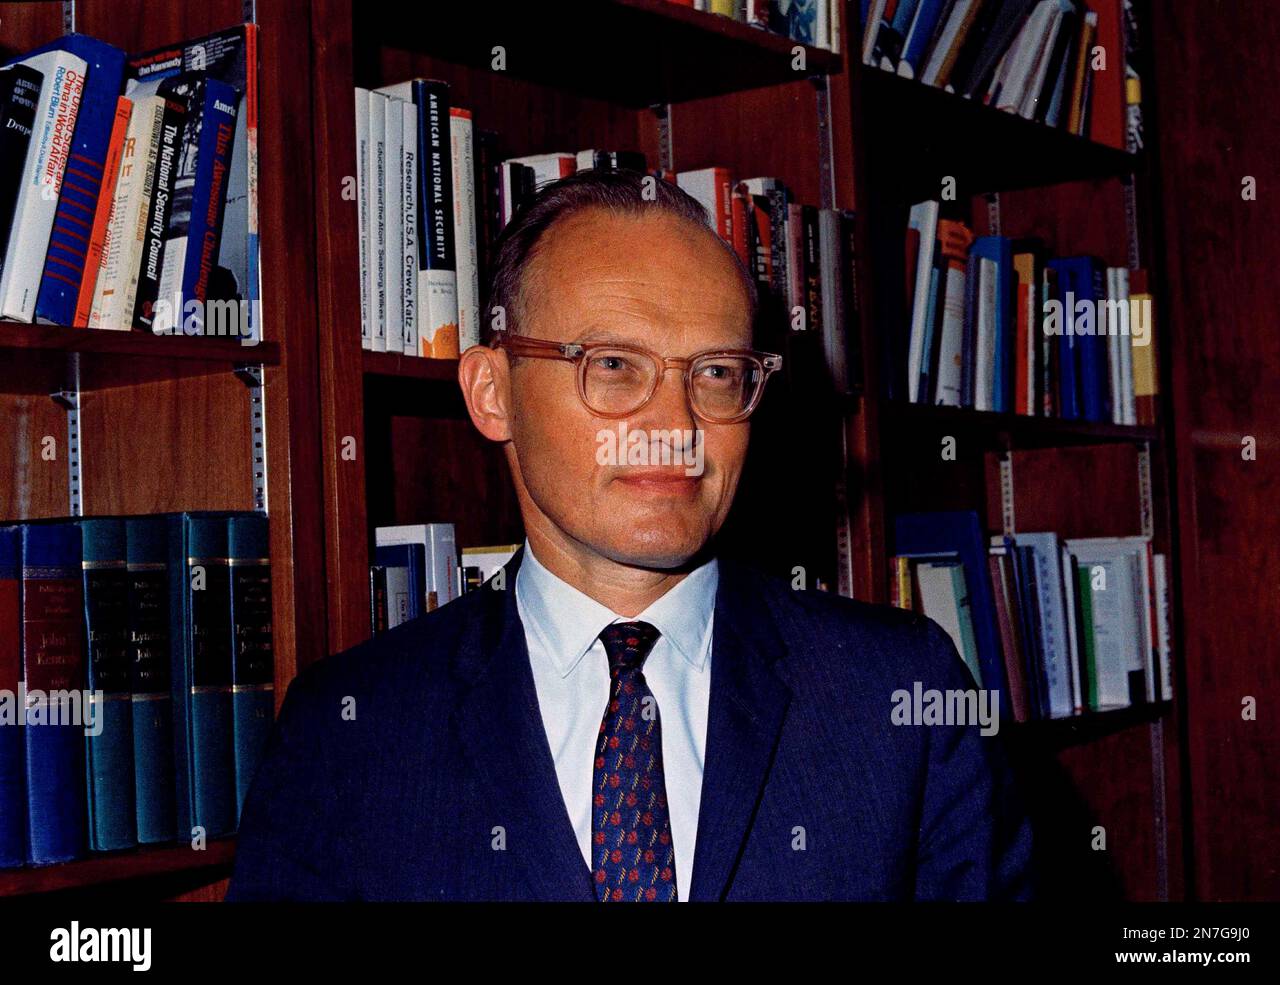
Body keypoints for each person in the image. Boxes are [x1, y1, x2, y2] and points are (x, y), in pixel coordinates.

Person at [227, 169, 1033, 901]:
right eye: (613, 365)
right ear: (492, 391)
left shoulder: (898, 692)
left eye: (715, 372)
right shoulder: (350, 726)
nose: (674, 427)